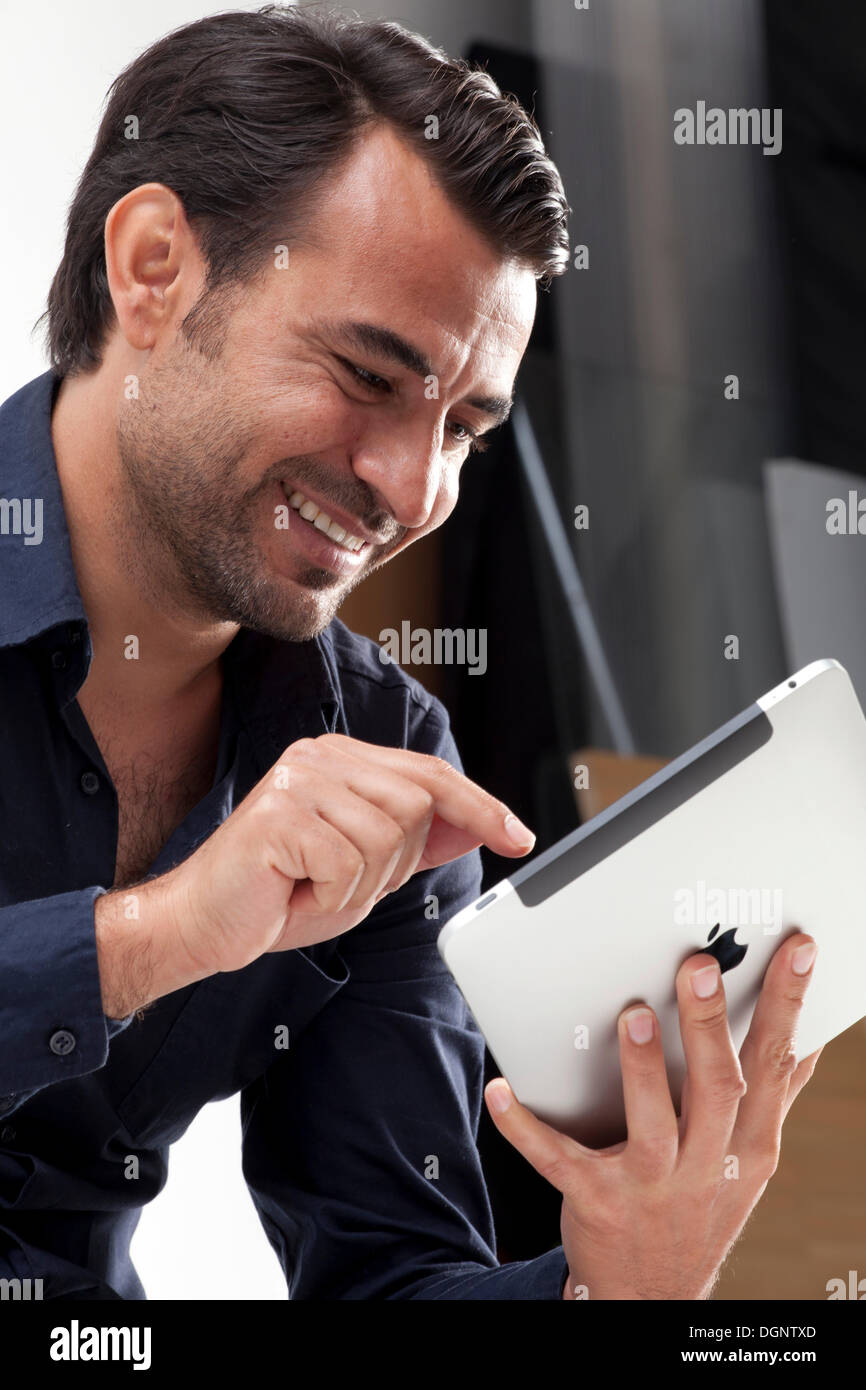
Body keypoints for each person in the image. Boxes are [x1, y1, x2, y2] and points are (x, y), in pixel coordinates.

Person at [0, 5, 820, 1301]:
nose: (408, 484)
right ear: (153, 266)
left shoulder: (380, 757)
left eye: (465, 428)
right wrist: (150, 937)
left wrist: (612, 1278)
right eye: (366, 374)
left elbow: (385, 1271)